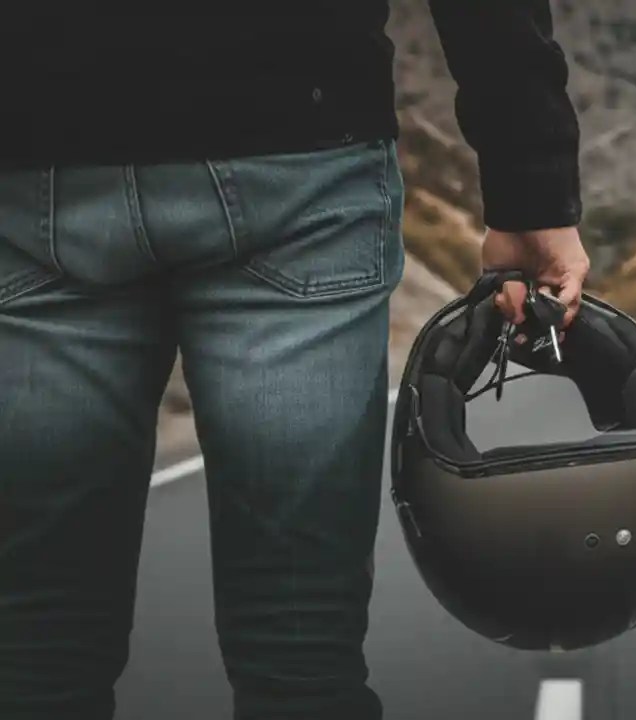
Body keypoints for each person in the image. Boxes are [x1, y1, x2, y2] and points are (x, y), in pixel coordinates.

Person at [0, 1, 589, 718]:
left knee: (32, 651)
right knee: (299, 652)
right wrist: (532, 186)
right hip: (297, 155)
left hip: (30, 164)